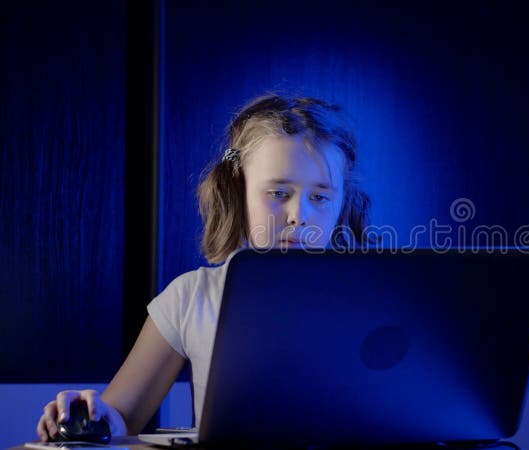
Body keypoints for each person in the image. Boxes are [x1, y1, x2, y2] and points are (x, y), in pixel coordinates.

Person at [36, 94, 372, 441]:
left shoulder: (373, 301)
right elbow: (121, 417)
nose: (298, 217)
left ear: (342, 204)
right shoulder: (191, 298)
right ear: (235, 193)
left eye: (319, 197)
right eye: (278, 193)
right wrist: (92, 415)